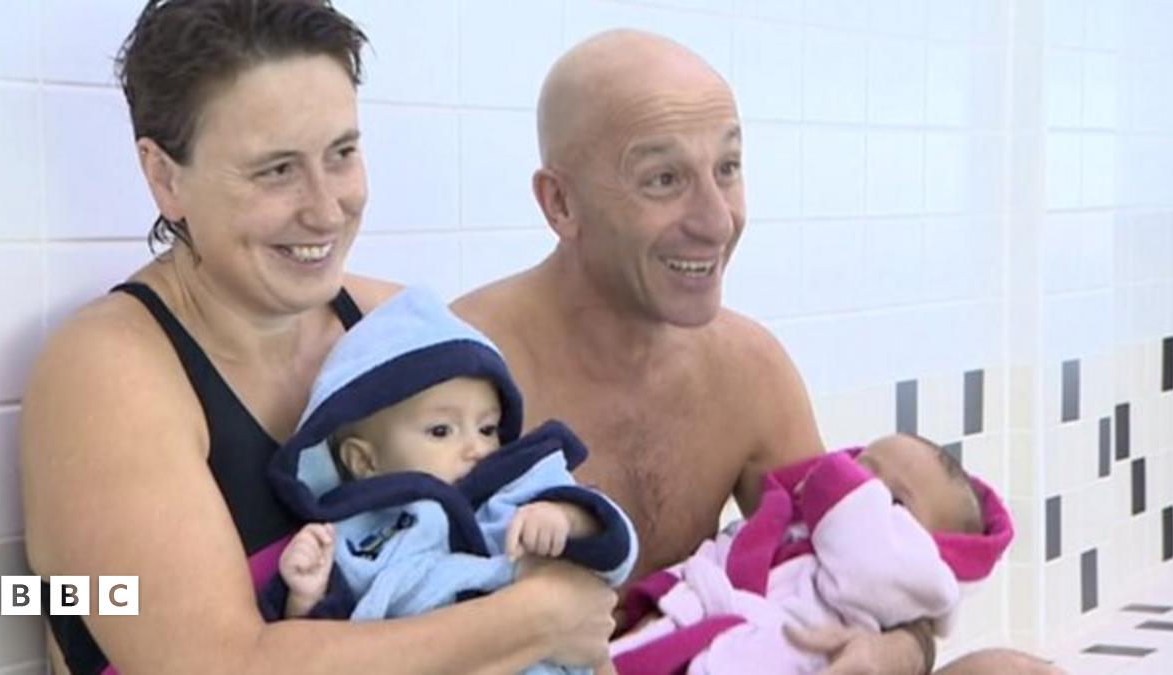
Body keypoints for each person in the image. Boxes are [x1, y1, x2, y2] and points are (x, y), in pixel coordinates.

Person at [18, 2, 618, 674]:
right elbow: (211, 665)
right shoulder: (107, 374)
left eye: (342, 153)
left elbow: (511, 521)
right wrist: (535, 619)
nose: (326, 208)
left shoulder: (398, 327)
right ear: (164, 176)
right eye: (275, 170)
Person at [453, 29, 1061, 674]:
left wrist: (896, 652)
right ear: (561, 203)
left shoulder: (747, 371)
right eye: (664, 179)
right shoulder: (462, 373)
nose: (717, 221)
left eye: (728, 169)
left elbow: (861, 577)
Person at [262, 289, 636, 674]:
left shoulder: (517, 488)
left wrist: (568, 519)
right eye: (441, 430)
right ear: (364, 460)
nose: (476, 447)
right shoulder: (350, 536)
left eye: (488, 427)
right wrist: (305, 599)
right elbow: (326, 648)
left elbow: (615, 549)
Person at [609, 434, 1015, 674]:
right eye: (862, 468)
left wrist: (902, 649)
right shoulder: (788, 528)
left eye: (893, 501)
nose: (862, 488)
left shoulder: (753, 371)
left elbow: (901, 595)